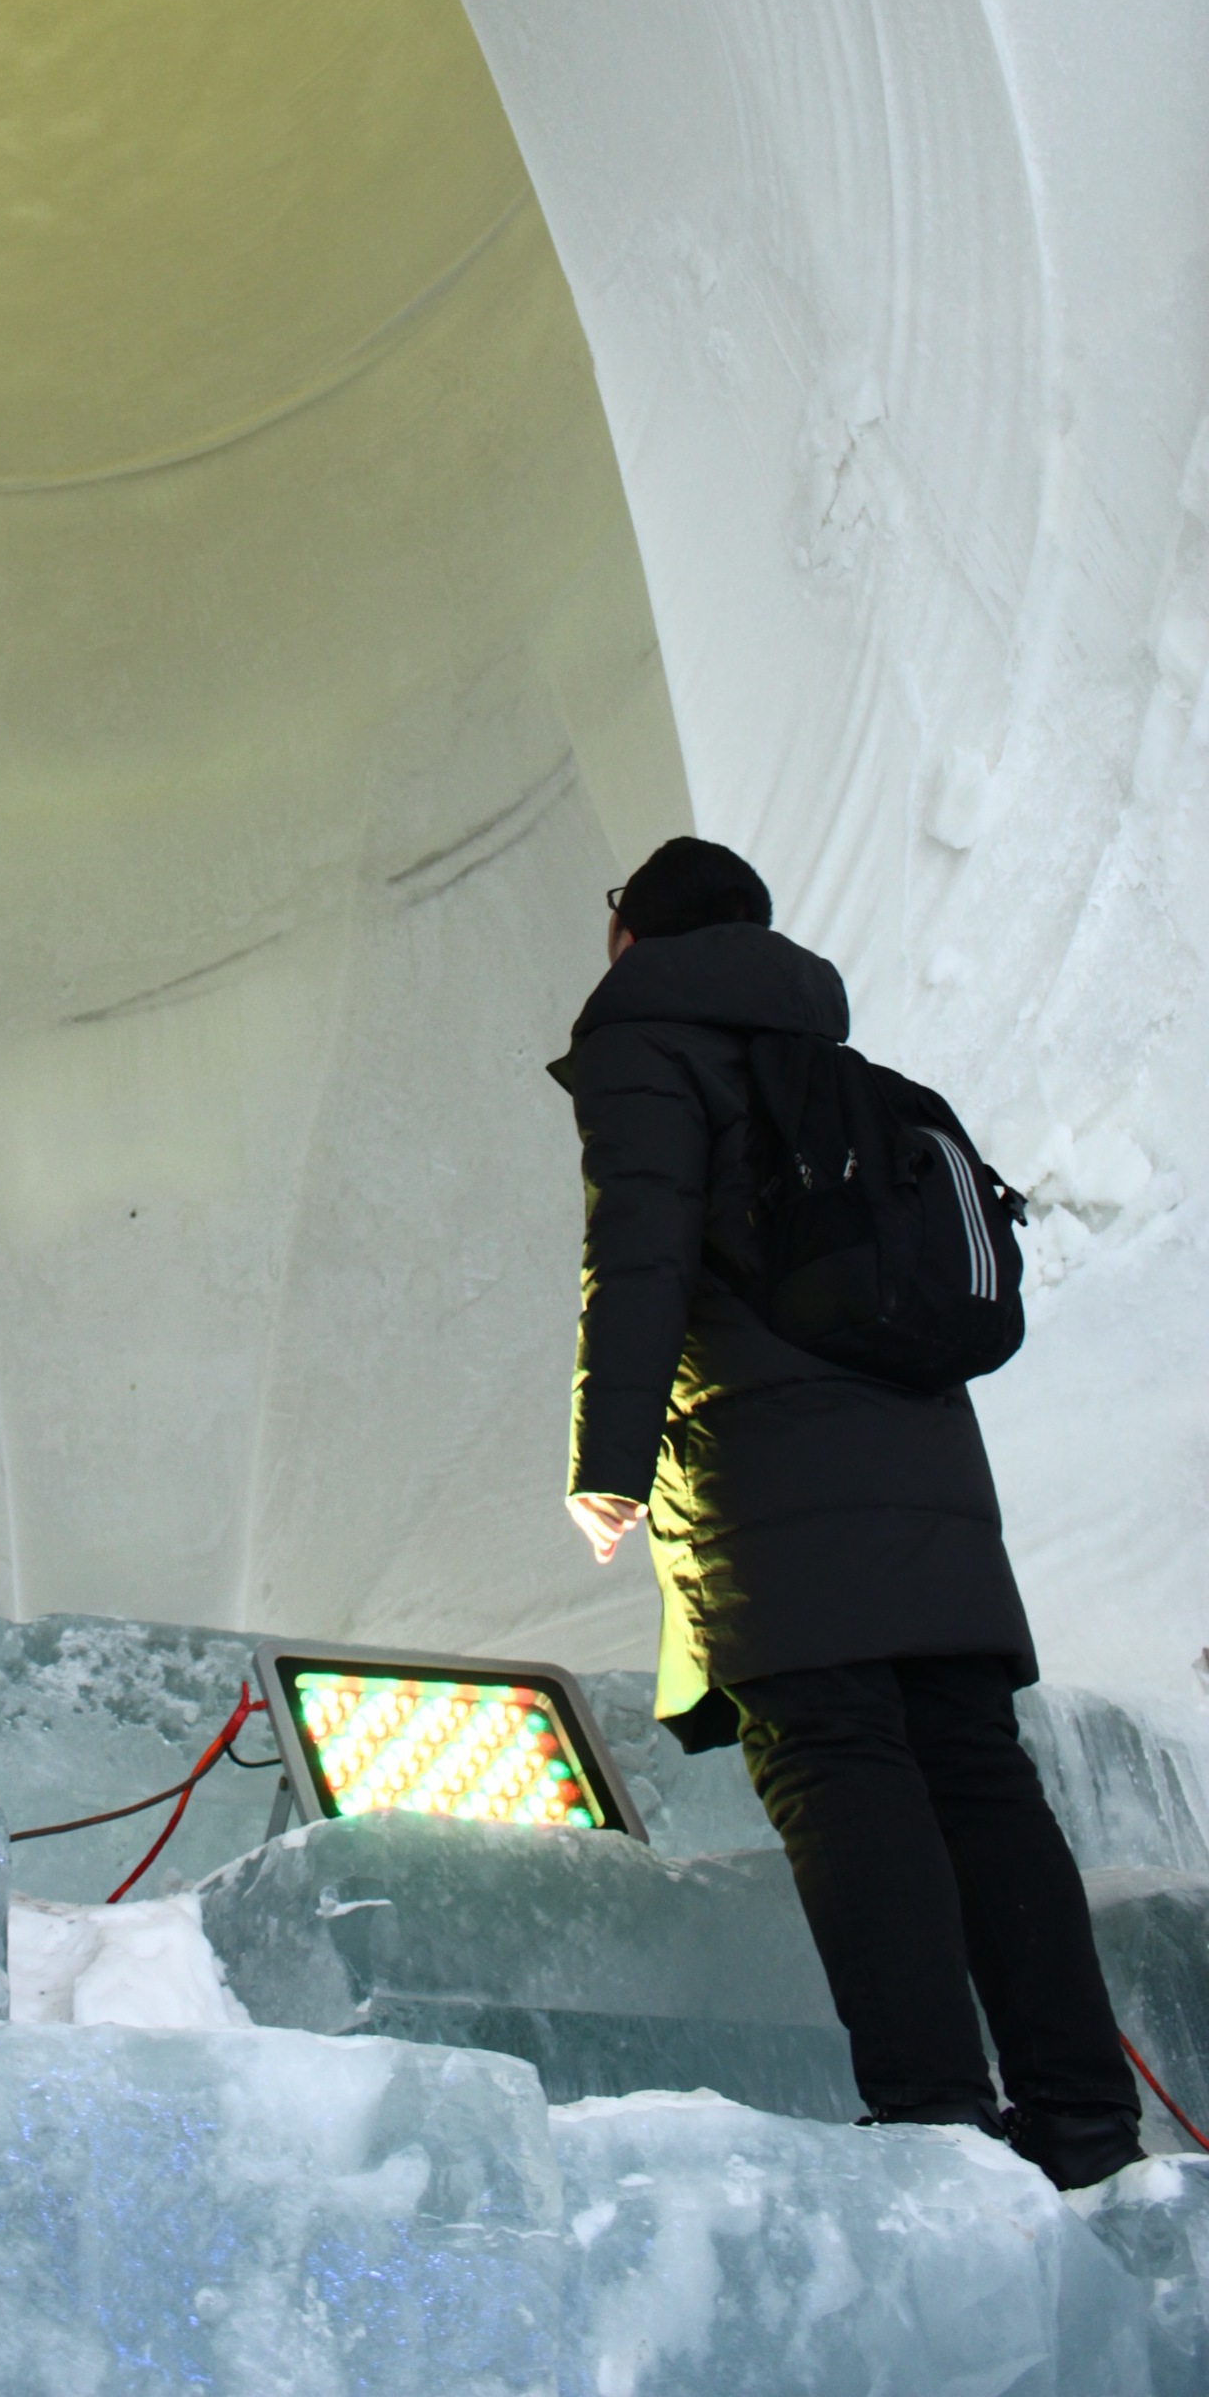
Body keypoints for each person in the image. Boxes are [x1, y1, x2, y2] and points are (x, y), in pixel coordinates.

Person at [552, 835, 1141, 2190]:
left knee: (839, 1770)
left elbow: (637, 1262)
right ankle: (1085, 2123)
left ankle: (938, 2124)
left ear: (635, 938)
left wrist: (613, 1464)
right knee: (981, 1782)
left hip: (777, 1492)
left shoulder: (650, 1053)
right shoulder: (845, 1071)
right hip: (931, 1487)